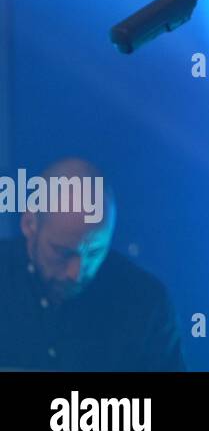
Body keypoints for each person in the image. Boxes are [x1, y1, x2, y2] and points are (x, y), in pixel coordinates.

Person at [0, 157, 185, 371]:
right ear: (29, 224)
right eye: (62, 252)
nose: (76, 273)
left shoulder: (146, 301)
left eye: (95, 252)